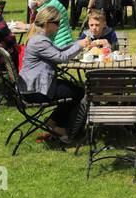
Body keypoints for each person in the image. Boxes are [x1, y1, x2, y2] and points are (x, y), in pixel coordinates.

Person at [17, 8, 89, 141]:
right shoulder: (40, 41)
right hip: (34, 90)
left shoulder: (39, 38)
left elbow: (58, 50)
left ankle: (53, 123)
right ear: (47, 23)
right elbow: (61, 57)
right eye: (57, 23)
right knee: (78, 92)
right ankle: (66, 130)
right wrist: (79, 46)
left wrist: (77, 43)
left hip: (30, 86)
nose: (59, 26)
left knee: (73, 89)